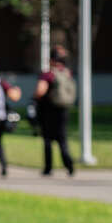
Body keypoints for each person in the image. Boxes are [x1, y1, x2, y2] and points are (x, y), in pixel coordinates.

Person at [35, 45, 76, 176]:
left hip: (48, 111)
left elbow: (40, 91)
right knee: (62, 139)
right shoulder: (66, 72)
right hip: (63, 110)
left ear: (51, 60)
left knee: (47, 140)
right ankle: (69, 165)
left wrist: (35, 98)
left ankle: (48, 168)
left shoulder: (48, 74)